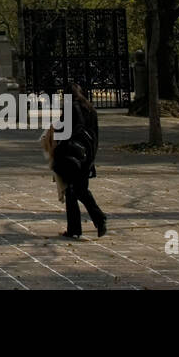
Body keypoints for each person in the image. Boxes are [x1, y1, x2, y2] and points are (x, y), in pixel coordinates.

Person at [53, 82, 107, 239]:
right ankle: (96, 220)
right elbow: (95, 134)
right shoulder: (91, 109)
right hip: (87, 154)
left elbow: (62, 132)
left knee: (71, 191)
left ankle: (78, 227)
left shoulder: (70, 109)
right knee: (81, 190)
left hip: (72, 155)